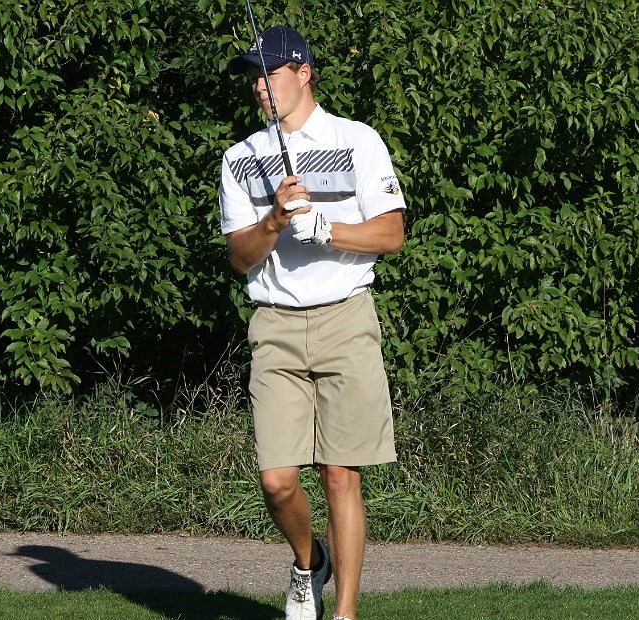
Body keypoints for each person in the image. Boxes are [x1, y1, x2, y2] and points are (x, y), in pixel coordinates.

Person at [219, 25, 406, 620]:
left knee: (339, 475)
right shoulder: (241, 157)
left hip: (346, 318)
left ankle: (344, 614)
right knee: (277, 480)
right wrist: (274, 221)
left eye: (269, 73)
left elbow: (391, 233)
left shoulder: (356, 140)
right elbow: (239, 257)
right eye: (254, 77)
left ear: (303, 72)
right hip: (275, 325)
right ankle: (309, 562)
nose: (259, 86)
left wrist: (327, 229)